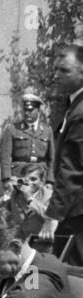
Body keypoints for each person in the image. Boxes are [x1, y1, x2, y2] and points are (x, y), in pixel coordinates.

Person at [48, 44, 83, 265]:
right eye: (57, 70)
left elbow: (72, 170)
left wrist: (52, 216)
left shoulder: (80, 114)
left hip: (75, 215)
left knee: (72, 278)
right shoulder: (74, 106)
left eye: (65, 71)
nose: (57, 76)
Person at [0, 90, 53, 186]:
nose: (27, 113)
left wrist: (50, 181)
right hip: (18, 177)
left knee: (40, 201)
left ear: (38, 111)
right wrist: (6, 179)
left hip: (40, 177)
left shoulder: (47, 131)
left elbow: (52, 158)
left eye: (31, 110)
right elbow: (4, 157)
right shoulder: (12, 129)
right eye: (25, 110)